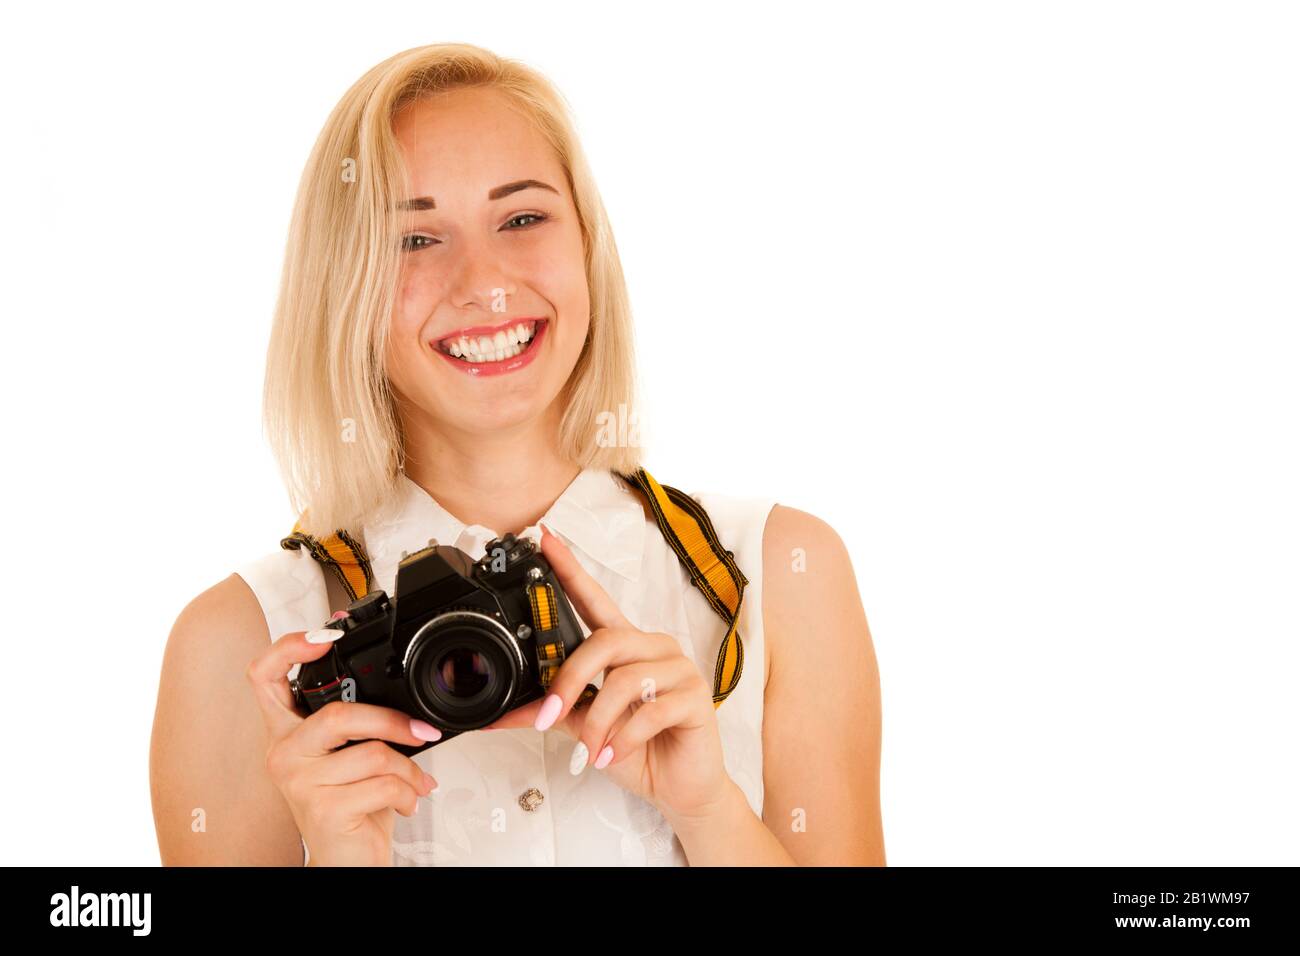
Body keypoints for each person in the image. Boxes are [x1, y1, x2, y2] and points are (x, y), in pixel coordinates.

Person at [149, 42, 884, 866]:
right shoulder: (241, 644)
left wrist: (708, 811)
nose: (486, 281)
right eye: (415, 240)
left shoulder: (778, 576)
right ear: (344, 285)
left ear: (586, 250)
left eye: (523, 218)